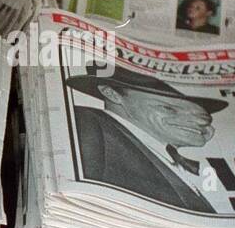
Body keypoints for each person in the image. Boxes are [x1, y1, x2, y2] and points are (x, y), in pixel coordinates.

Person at [64, 66, 224, 213]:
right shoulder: (86, 123)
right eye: (168, 108)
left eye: (203, 117)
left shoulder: (164, 153)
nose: (200, 124)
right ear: (111, 94)